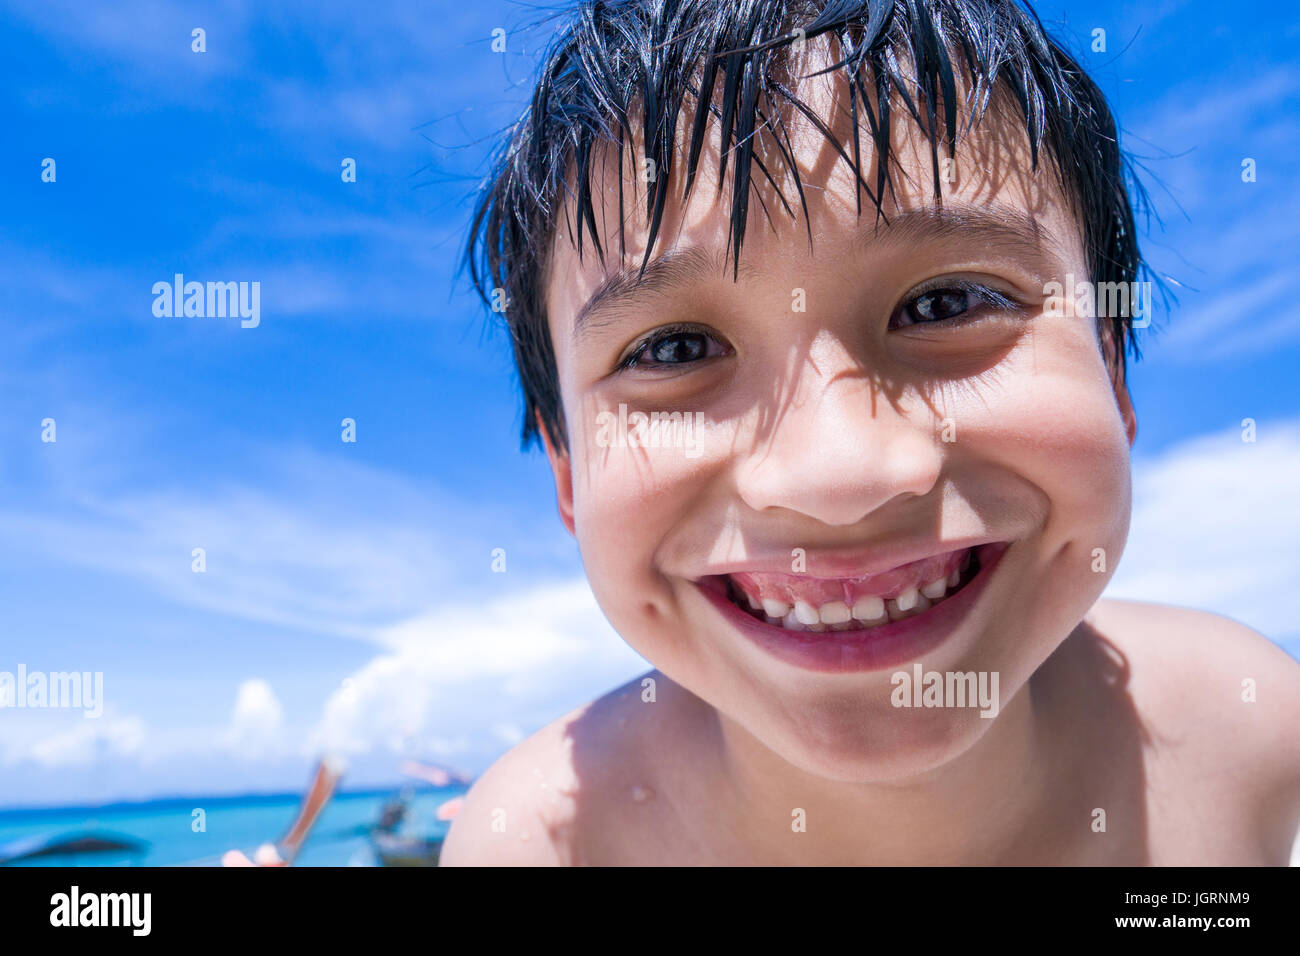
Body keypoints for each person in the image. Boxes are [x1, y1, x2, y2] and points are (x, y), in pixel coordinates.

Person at [441, 0, 1300, 865]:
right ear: (566, 477)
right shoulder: (540, 845)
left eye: (946, 303)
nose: (837, 476)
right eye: (674, 349)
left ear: (1112, 374)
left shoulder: (1252, 734)